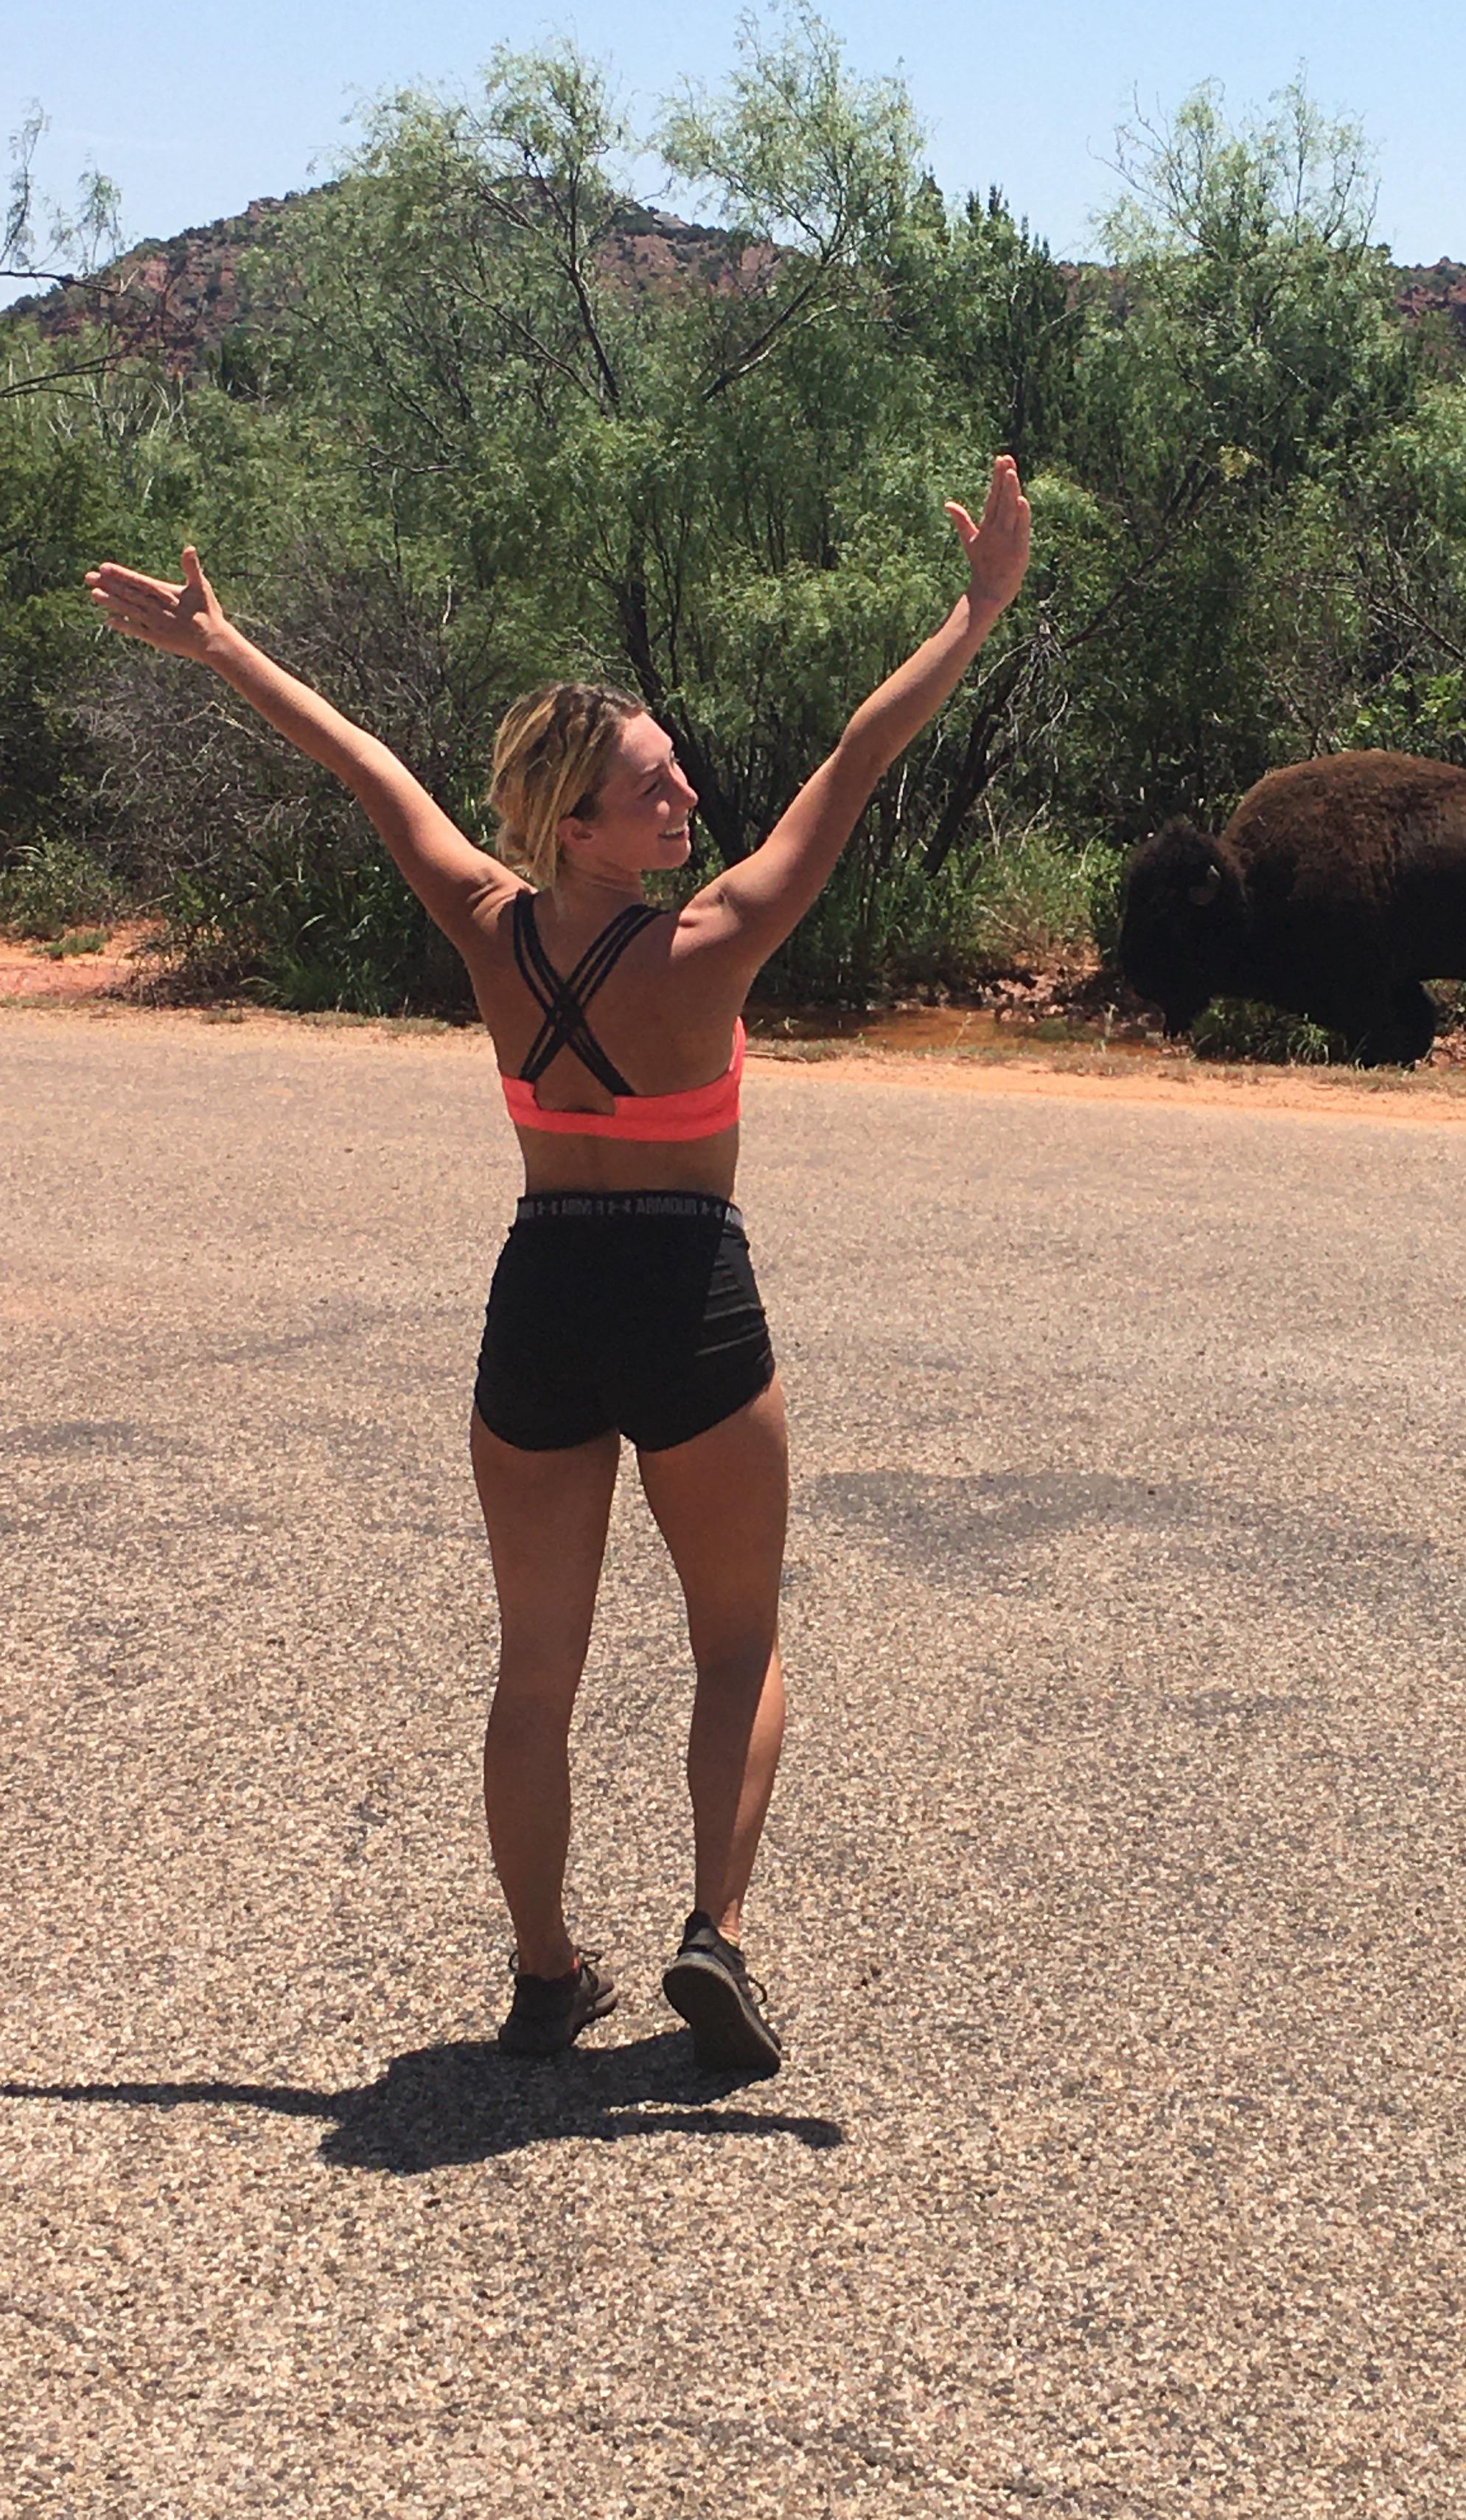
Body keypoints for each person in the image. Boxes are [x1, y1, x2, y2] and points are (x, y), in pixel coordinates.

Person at [86, 459, 1032, 2070]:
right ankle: (711, 1938)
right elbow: (864, 754)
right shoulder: (718, 937)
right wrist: (978, 612)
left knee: (539, 1667)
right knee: (736, 1639)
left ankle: (546, 1977)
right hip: (687, 1291)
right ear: (577, 818)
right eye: (654, 788)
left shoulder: (486, 919)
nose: (688, 803)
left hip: (543, 1289)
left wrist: (225, 650)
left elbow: (363, 769)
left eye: (677, 781)